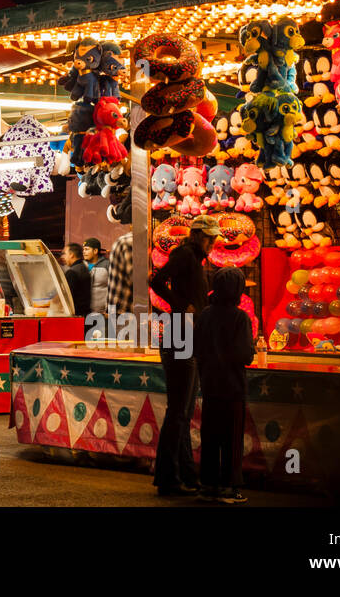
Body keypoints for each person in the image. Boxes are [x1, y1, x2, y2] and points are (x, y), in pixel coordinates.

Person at [148, 214, 218, 496]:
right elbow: (156, 281)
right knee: (178, 411)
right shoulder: (185, 255)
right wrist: (182, 306)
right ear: (200, 236)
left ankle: (187, 475)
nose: (212, 244)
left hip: (189, 335)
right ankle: (167, 477)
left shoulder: (195, 259)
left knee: (184, 412)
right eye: (210, 238)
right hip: (180, 335)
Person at [194, 266, 254, 504]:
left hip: (209, 384)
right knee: (231, 439)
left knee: (210, 436)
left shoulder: (206, 314)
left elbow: (196, 347)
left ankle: (208, 484)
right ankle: (231, 486)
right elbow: (245, 355)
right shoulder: (240, 317)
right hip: (233, 388)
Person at [107, 231, 135, 315]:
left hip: (119, 309)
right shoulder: (129, 242)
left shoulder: (125, 241)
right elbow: (138, 280)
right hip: (126, 309)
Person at [60, 243, 91, 317]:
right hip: (85, 314)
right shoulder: (83, 267)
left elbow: (67, 298)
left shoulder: (72, 272)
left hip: (76, 315)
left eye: (65, 254)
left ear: (72, 255)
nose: (63, 257)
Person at [83, 238, 110, 315]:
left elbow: (113, 288)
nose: (84, 252)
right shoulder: (82, 265)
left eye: (87, 249)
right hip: (85, 312)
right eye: (83, 249)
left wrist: (109, 309)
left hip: (102, 312)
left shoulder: (107, 264)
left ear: (95, 251)